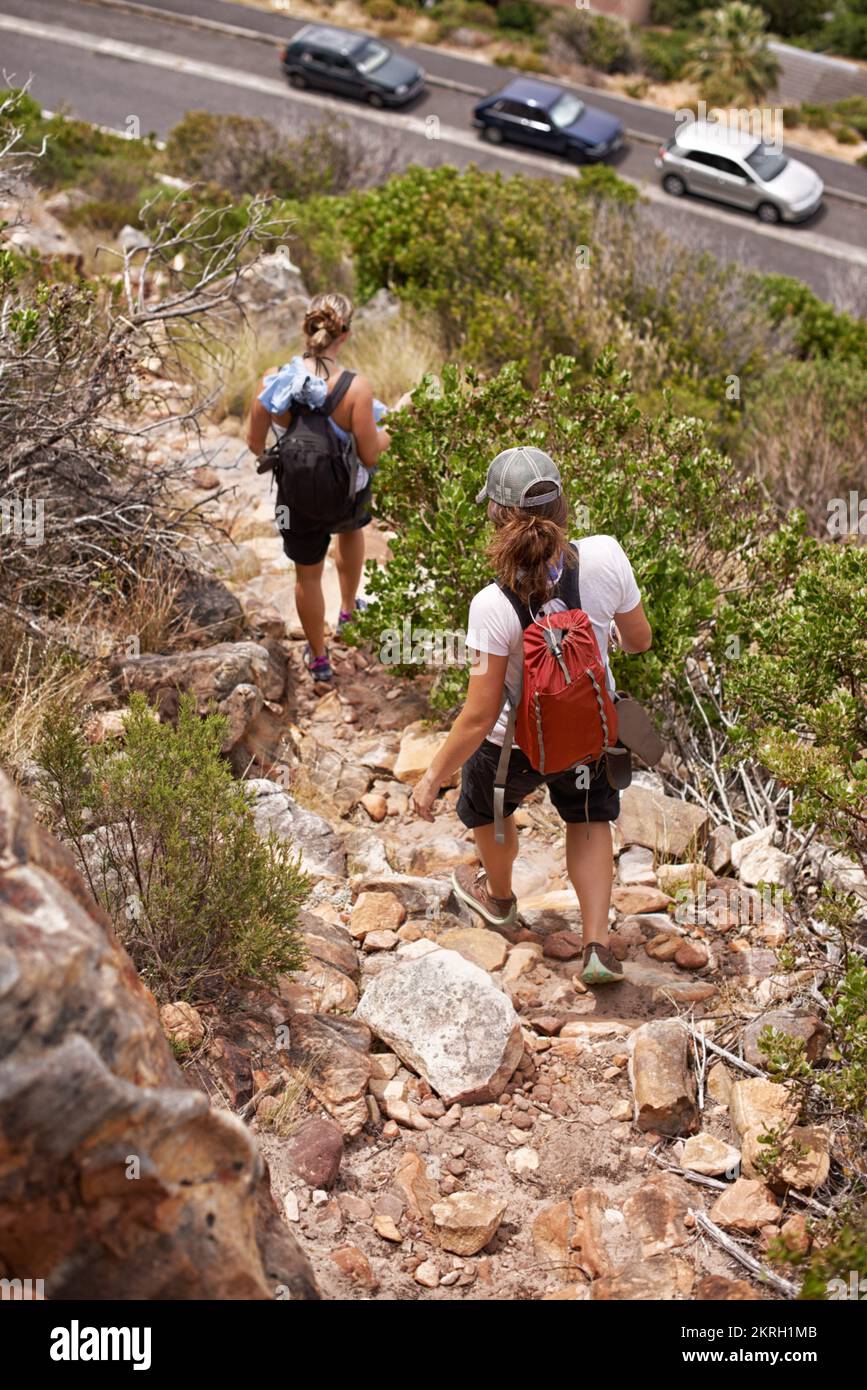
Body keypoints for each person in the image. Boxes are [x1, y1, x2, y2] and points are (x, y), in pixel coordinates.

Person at [410, 447, 653, 985]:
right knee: (589, 820)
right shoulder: (606, 556)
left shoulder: (490, 605)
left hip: (512, 750)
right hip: (590, 735)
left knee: (490, 813)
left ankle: (498, 901)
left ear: (496, 517)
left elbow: (479, 715)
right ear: (565, 506)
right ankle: (596, 945)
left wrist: (432, 777)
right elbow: (639, 640)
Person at [246, 292, 390, 685]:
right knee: (352, 528)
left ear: (304, 328)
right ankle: (348, 612)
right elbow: (371, 455)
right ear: (345, 334)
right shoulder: (356, 388)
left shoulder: (275, 380)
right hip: (342, 497)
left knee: (306, 576)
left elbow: (254, 443)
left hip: (294, 501)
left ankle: (320, 660)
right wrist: (390, 430)